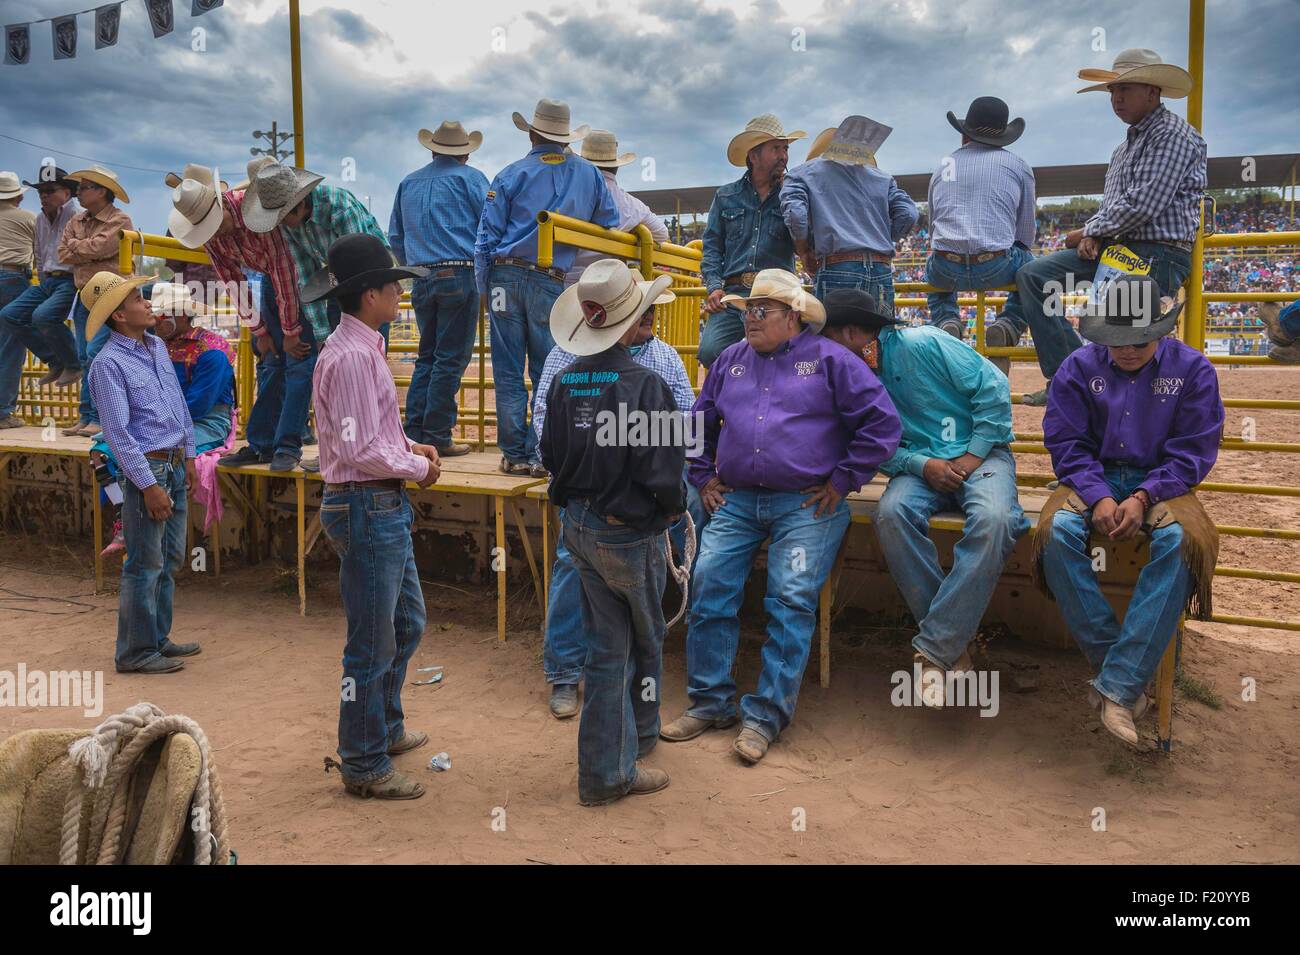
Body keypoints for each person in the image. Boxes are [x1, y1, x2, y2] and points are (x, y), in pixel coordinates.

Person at [660, 270, 901, 763]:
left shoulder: (833, 360)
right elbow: (698, 425)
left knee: (790, 597)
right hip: (739, 498)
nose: (748, 319)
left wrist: (842, 480)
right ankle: (711, 702)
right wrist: (704, 476)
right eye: (745, 310)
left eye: (759, 310)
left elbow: (882, 424)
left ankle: (764, 716)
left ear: (793, 318)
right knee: (708, 583)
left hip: (807, 503)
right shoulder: (730, 360)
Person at [1033, 275, 1223, 746]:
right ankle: (1122, 674)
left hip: (1164, 478)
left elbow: (1194, 451)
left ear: (1159, 330)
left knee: (1181, 543)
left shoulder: (1194, 370)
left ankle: (1116, 682)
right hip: (1090, 473)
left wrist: (1144, 495)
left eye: (1138, 339)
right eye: (1116, 340)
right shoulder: (1078, 367)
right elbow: (1066, 441)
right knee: (1055, 534)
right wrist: (1098, 494)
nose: (1127, 350)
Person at [820, 289, 1027, 703]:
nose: (821, 349)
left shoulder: (924, 343)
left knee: (996, 520)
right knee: (892, 513)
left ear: (850, 333)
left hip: (981, 454)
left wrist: (968, 458)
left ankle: (936, 649)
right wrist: (921, 466)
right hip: (921, 465)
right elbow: (870, 443)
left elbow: (992, 387)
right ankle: (952, 644)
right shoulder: (847, 377)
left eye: (826, 338)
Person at [540, 258, 687, 805]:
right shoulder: (646, 385)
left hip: (580, 524)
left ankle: (625, 748)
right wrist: (669, 512)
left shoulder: (565, 380)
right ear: (631, 320)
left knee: (612, 642)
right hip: (628, 533)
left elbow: (550, 454)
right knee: (634, 645)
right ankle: (613, 766)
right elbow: (665, 473)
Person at [307, 233, 441, 800]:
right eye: (392, 286)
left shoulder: (355, 349)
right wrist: (416, 465)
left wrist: (410, 449)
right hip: (368, 499)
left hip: (371, 500)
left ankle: (379, 731)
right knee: (374, 639)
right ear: (370, 296)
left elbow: (367, 433)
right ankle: (364, 758)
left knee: (401, 625)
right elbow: (363, 448)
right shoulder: (359, 355)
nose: (398, 294)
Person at [1016, 50, 1206, 406]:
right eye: (1113, 92)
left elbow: (1145, 202)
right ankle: (1069, 376)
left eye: (1126, 89)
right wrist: (1095, 234)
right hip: (1122, 249)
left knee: (1128, 339)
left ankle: (1103, 396)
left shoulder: (1174, 135)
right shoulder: (1125, 147)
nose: (1116, 99)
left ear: (1152, 91)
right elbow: (1123, 205)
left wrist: (1090, 229)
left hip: (1155, 252)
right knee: (1034, 275)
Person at [475, 98, 619, 477]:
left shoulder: (510, 174)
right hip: (550, 277)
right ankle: (541, 452)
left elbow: (486, 239)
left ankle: (514, 454)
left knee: (507, 369)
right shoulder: (588, 174)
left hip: (504, 276)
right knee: (548, 368)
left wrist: (483, 288)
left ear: (532, 133)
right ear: (565, 137)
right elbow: (609, 219)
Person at [83, 271, 201, 674]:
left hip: (169, 461)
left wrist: (188, 454)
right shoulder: (108, 365)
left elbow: (178, 406)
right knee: (145, 562)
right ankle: (135, 652)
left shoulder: (155, 347)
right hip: (148, 467)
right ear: (119, 315)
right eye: (137, 298)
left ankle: (155, 639)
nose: (147, 302)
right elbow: (118, 433)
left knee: (167, 558)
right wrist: (148, 485)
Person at [244, 158, 390, 470]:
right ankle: (337, 451)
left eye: (284, 217)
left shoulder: (339, 206)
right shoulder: (292, 226)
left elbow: (364, 270)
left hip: (372, 286)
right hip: (336, 283)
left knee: (366, 370)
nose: (282, 224)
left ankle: (374, 447)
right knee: (340, 375)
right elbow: (304, 278)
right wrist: (325, 338)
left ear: (299, 204)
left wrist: (348, 334)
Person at [178, 161, 308, 472]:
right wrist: (260, 331)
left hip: (301, 282)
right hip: (273, 283)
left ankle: (287, 446)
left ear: (221, 203)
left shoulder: (256, 216)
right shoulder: (214, 234)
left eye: (213, 222)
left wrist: (289, 329)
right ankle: (263, 444)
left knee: (298, 362)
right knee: (273, 362)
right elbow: (232, 281)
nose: (213, 232)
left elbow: (285, 270)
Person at [390, 121, 489, 456]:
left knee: (427, 356)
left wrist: (416, 264)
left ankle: (414, 433)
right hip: (459, 273)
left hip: (421, 275)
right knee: (449, 358)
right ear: (464, 153)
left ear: (432, 149)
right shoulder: (472, 179)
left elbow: (396, 238)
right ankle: (436, 434)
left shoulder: (408, 182)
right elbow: (489, 228)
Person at [925, 97, 1036, 376]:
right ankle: (1007, 325)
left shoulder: (943, 167)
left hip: (945, 266)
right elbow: (1025, 234)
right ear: (1003, 137)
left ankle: (947, 321)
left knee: (933, 268)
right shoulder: (1018, 165)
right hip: (995, 265)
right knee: (1033, 267)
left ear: (964, 133)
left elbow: (932, 229)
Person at [698, 114, 804, 369]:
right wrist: (714, 287)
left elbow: (804, 242)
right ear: (753, 156)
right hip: (734, 295)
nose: (784, 156)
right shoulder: (726, 196)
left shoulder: (794, 193)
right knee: (710, 351)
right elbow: (712, 247)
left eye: (785, 148)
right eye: (776, 148)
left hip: (776, 294)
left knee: (783, 351)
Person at [781, 115, 916, 309]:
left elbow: (796, 215)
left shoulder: (801, 173)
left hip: (837, 266)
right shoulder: (882, 177)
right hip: (881, 269)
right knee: (880, 336)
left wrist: (803, 251)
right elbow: (909, 213)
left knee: (834, 337)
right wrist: (882, 237)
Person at [58, 166, 136, 437]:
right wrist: (88, 250)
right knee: (85, 356)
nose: (78, 191)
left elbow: (94, 248)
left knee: (95, 355)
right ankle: (88, 416)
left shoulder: (120, 220)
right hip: (87, 295)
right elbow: (63, 252)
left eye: (84, 187)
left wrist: (80, 249)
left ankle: (97, 418)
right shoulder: (81, 220)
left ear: (101, 191)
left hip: (112, 296)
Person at [0, 165, 81, 413]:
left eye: (49, 190)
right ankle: (56, 361)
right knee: (10, 323)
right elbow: (38, 251)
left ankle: (67, 363)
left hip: (64, 279)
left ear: (66, 193)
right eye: (41, 192)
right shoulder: (33, 218)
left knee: (38, 316)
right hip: (37, 278)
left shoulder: (74, 217)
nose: (44, 196)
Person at [563, 129, 669, 286]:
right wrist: (633, 233)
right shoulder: (633, 206)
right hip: (606, 287)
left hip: (564, 283)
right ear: (616, 167)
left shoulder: (564, 193)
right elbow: (661, 234)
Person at [0, 172, 37, 429]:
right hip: (13, 278)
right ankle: (3, 412)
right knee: (10, 347)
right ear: (19, 196)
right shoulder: (28, 218)